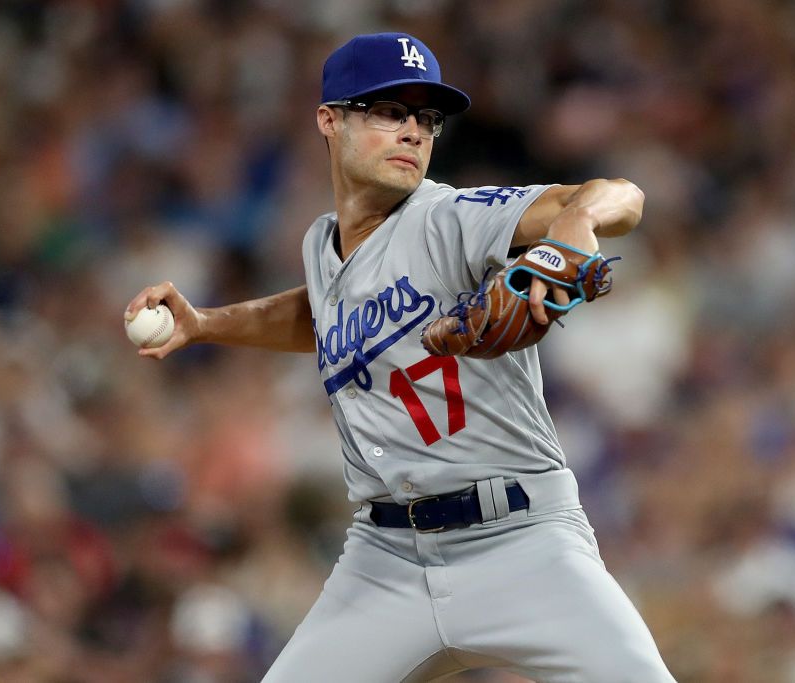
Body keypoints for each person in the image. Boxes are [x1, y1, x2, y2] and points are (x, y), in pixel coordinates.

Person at [126, 32, 676, 683]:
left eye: (427, 117)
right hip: (384, 559)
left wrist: (579, 221)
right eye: (391, 111)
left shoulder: (448, 219)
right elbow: (319, 312)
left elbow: (619, 195)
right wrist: (208, 323)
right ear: (330, 120)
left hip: (522, 543)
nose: (414, 131)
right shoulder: (320, 244)